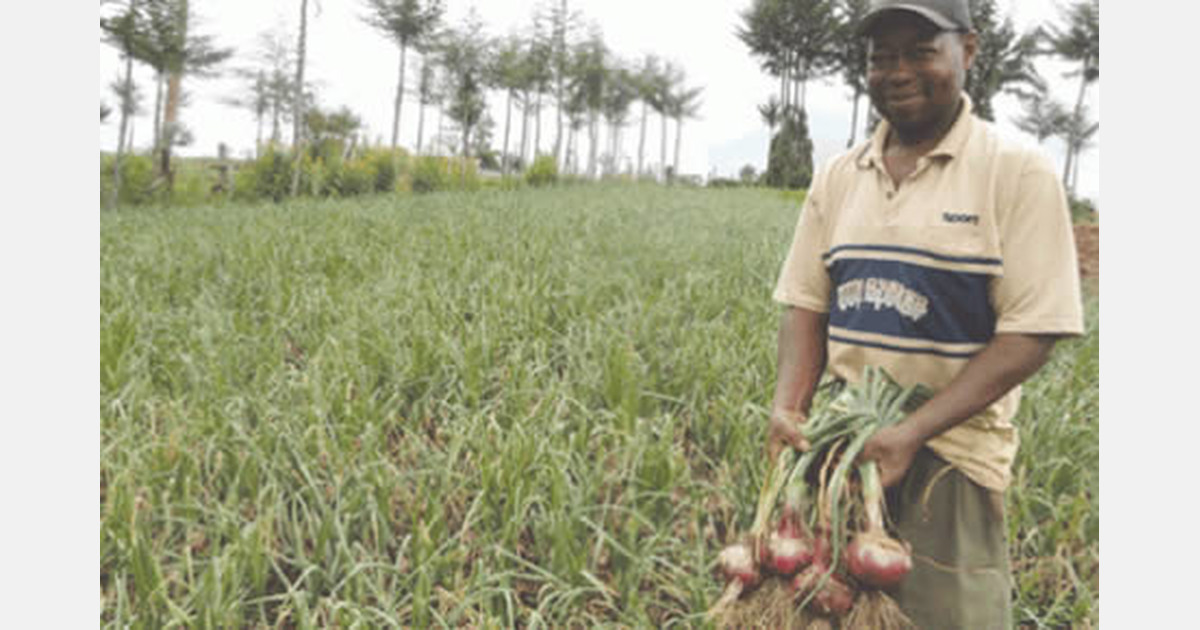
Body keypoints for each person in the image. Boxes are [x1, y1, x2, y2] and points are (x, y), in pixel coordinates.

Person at [766, 0, 1085, 628]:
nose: (898, 71)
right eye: (881, 57)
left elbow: (1033, 331)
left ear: (967, 52)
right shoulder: (838, 177)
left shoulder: (1016, 173)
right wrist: (789, 406)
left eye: (920, 51)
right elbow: (807, 303)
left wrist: (912, 432)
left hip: (953, 462)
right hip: (840, 455)